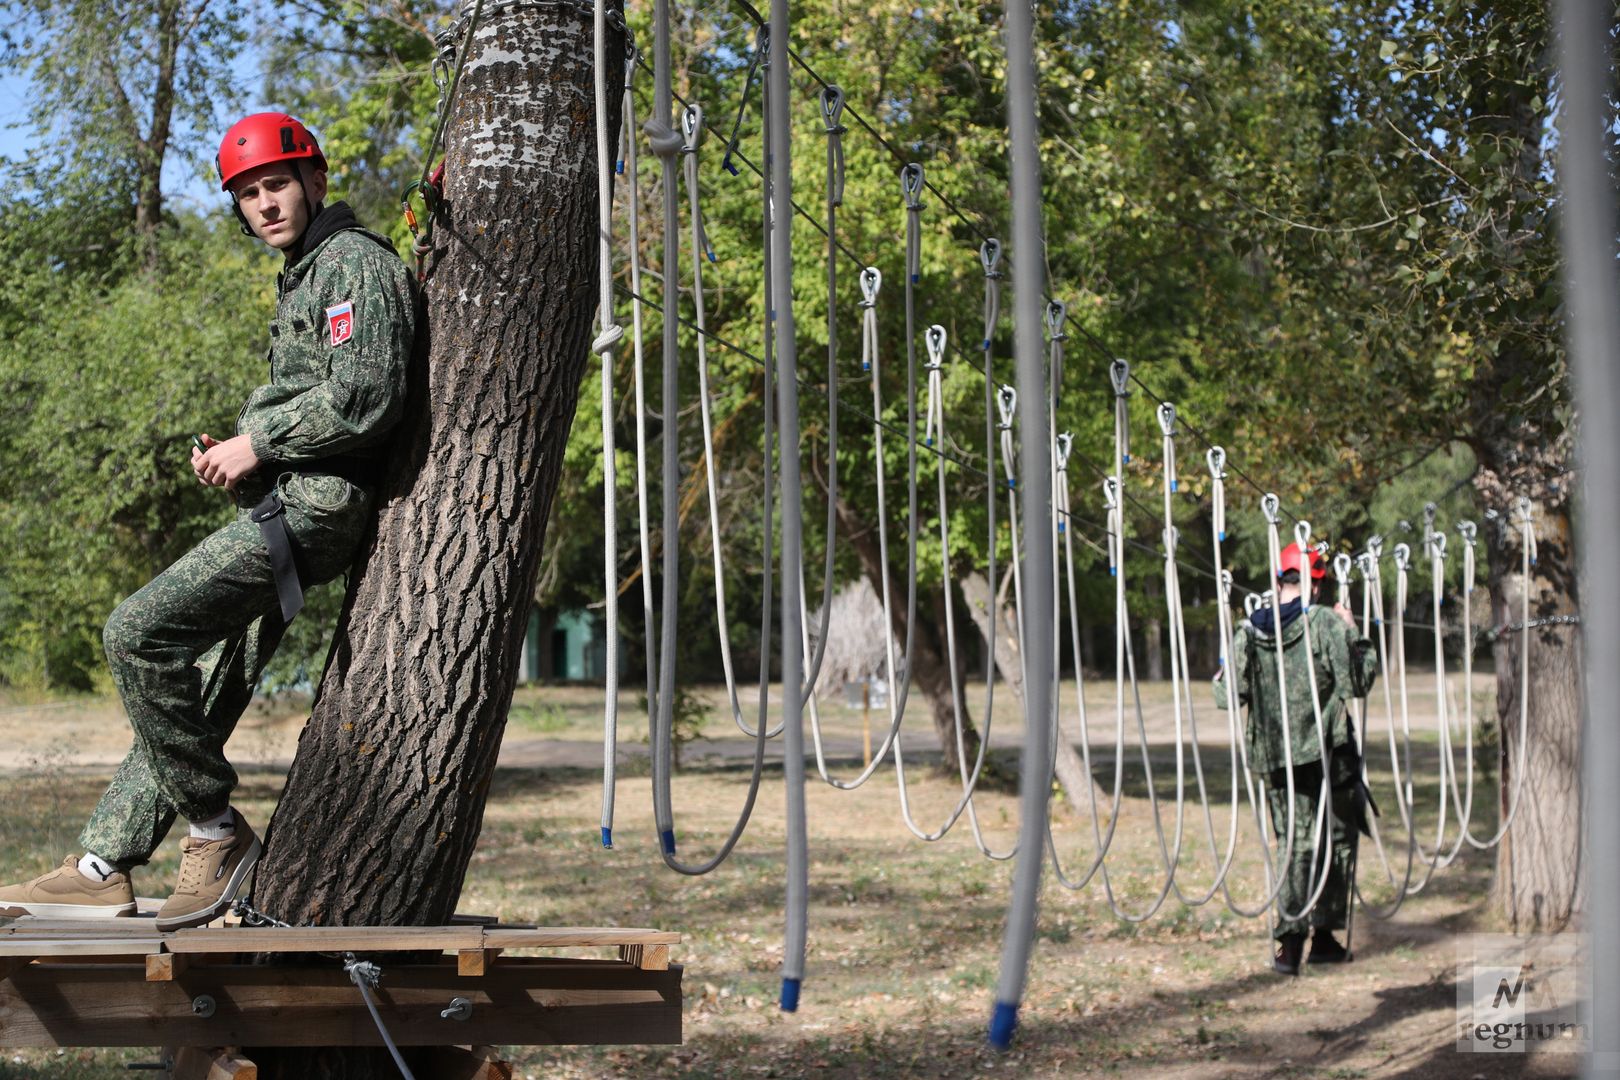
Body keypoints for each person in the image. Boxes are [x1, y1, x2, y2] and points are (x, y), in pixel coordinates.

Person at [0, 113, 416, 929]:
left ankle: (216, 832)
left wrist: (257, 439)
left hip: (312, 509)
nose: (264, 205)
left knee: (136, 635)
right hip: (283, 501)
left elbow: (367, 398)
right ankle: (104, 861)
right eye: (248, 195)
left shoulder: (354, 265)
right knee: (205, 684)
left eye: (276, 185)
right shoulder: (304, 273)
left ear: (316, 182)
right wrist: (244, 454)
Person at [1214, 541, 1378, 975]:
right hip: (1328, 753)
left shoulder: (1248, 630)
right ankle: (1324, 937)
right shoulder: (1325, 622)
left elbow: (1225, 693)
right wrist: (1354, 630)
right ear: (1318, 586)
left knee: (1293, 843)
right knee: (1337, 841)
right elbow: (1358, 682)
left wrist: (1229, 659)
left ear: (1275, 581)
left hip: (1276, 758)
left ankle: (1289, 945)